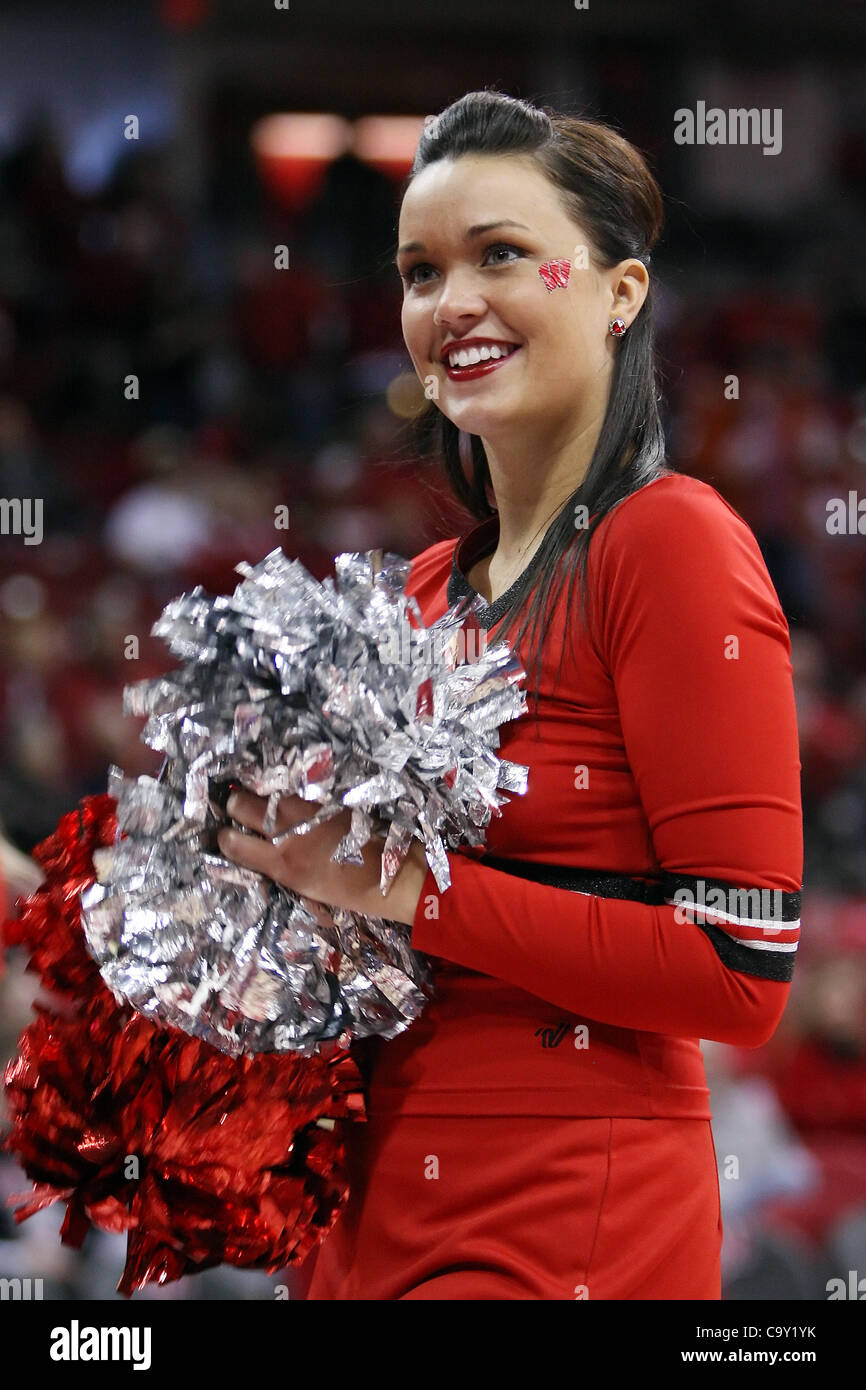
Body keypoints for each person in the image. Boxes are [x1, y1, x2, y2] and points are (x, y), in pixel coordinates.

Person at [218, 90, 803, 1300]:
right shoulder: (428, 584)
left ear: (618, 292)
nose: (451, 304)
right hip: (363, 1205)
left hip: (557, 1212)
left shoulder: (670, 544)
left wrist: (395, 884)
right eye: (418, 271)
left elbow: (741, 967)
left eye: (499, 255)